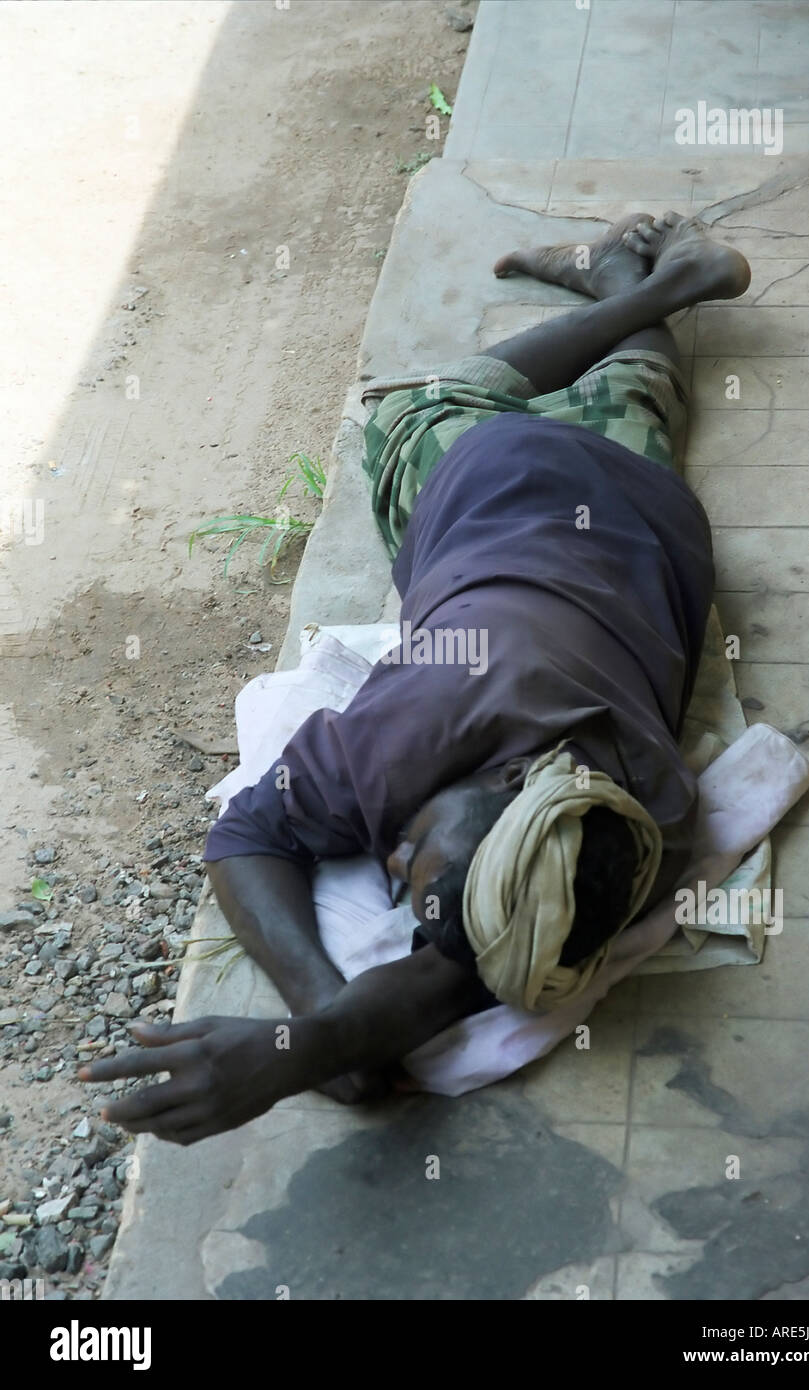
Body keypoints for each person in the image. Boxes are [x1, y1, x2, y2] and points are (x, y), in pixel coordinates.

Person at [79, 212, 751, 1144]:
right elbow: (245, 834)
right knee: (416, 409)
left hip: (651, 520)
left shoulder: (637, 826)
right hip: (501, 475)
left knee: (634, 394)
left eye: (400, 873)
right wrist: (309, 1022)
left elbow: (461, 962)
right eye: (417, 856)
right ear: (510, 779)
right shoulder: (435, 713)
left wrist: (316, 1046)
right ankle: (651, 289)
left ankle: (647, 292)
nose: (391, 859)